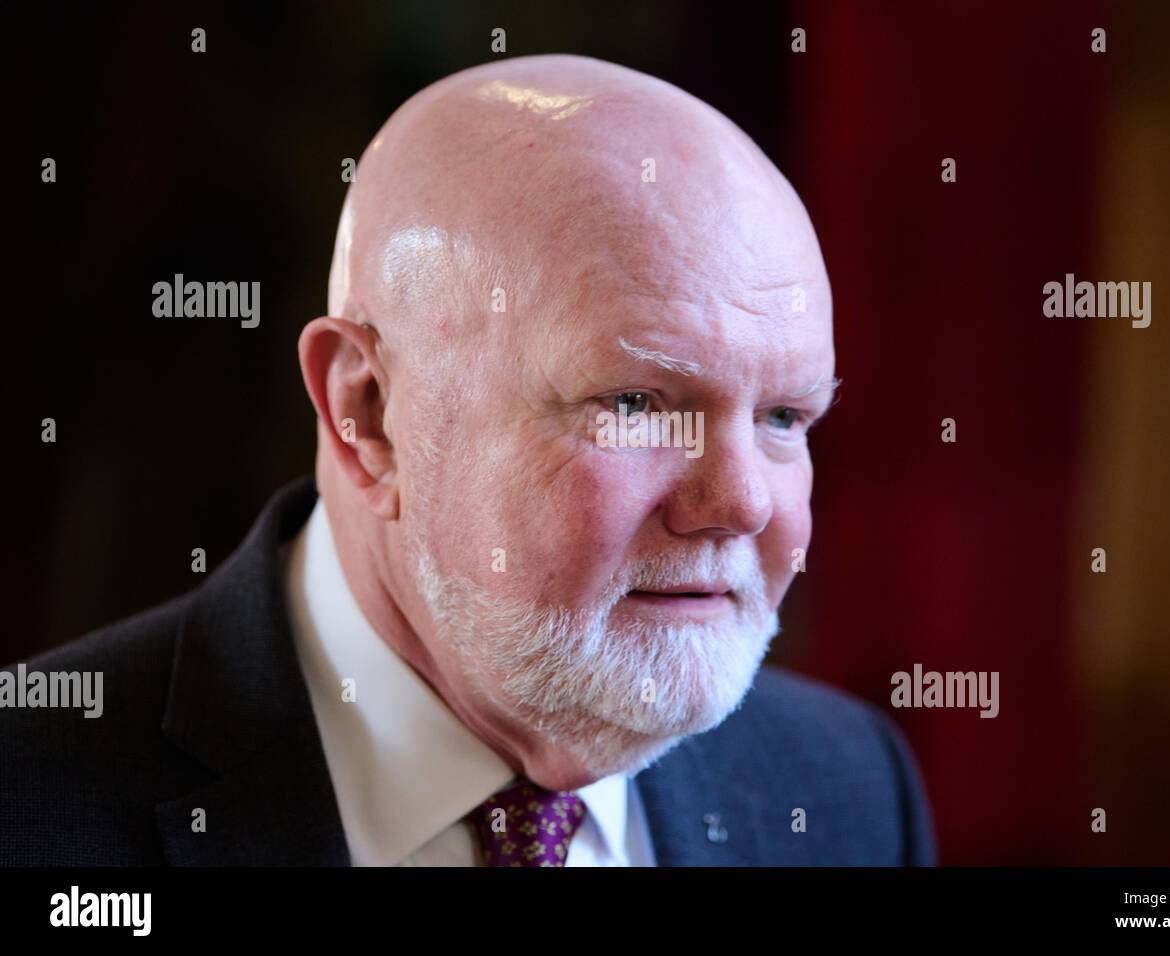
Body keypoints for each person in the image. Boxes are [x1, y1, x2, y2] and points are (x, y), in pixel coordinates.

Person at [0, 54, 935, 866]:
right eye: (637, 403)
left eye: (783, 416)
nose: (740, 503)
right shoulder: (34, 807)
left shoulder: (846, 795)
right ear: (368, 410)